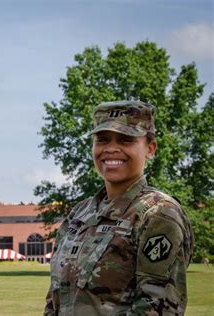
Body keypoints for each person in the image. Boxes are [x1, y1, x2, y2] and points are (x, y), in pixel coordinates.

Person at [44, 100, 194, 315]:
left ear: (150, 149)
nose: (111, 149)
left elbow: (158, 308)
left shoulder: (157, 214)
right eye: (102, 140)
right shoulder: (80, 214)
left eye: (125, 140)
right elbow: (55, 298)